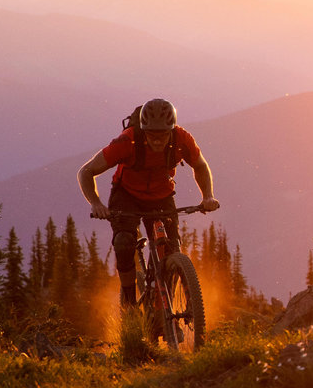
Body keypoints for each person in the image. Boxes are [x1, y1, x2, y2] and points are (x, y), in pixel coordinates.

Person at [77, 98, 220, 309]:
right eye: (152, 135)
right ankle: (128, 300)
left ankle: (164, 308)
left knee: (171, 249)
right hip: (126, 195)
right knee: (124, 242)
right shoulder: (128, 141)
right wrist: (95, 203)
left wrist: (207, 196)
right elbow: (86, 172)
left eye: (162, 135)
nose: (157, 140)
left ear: (171, 130)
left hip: (161, 195)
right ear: (143, 130)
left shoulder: (181, 139)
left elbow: (200, 166)